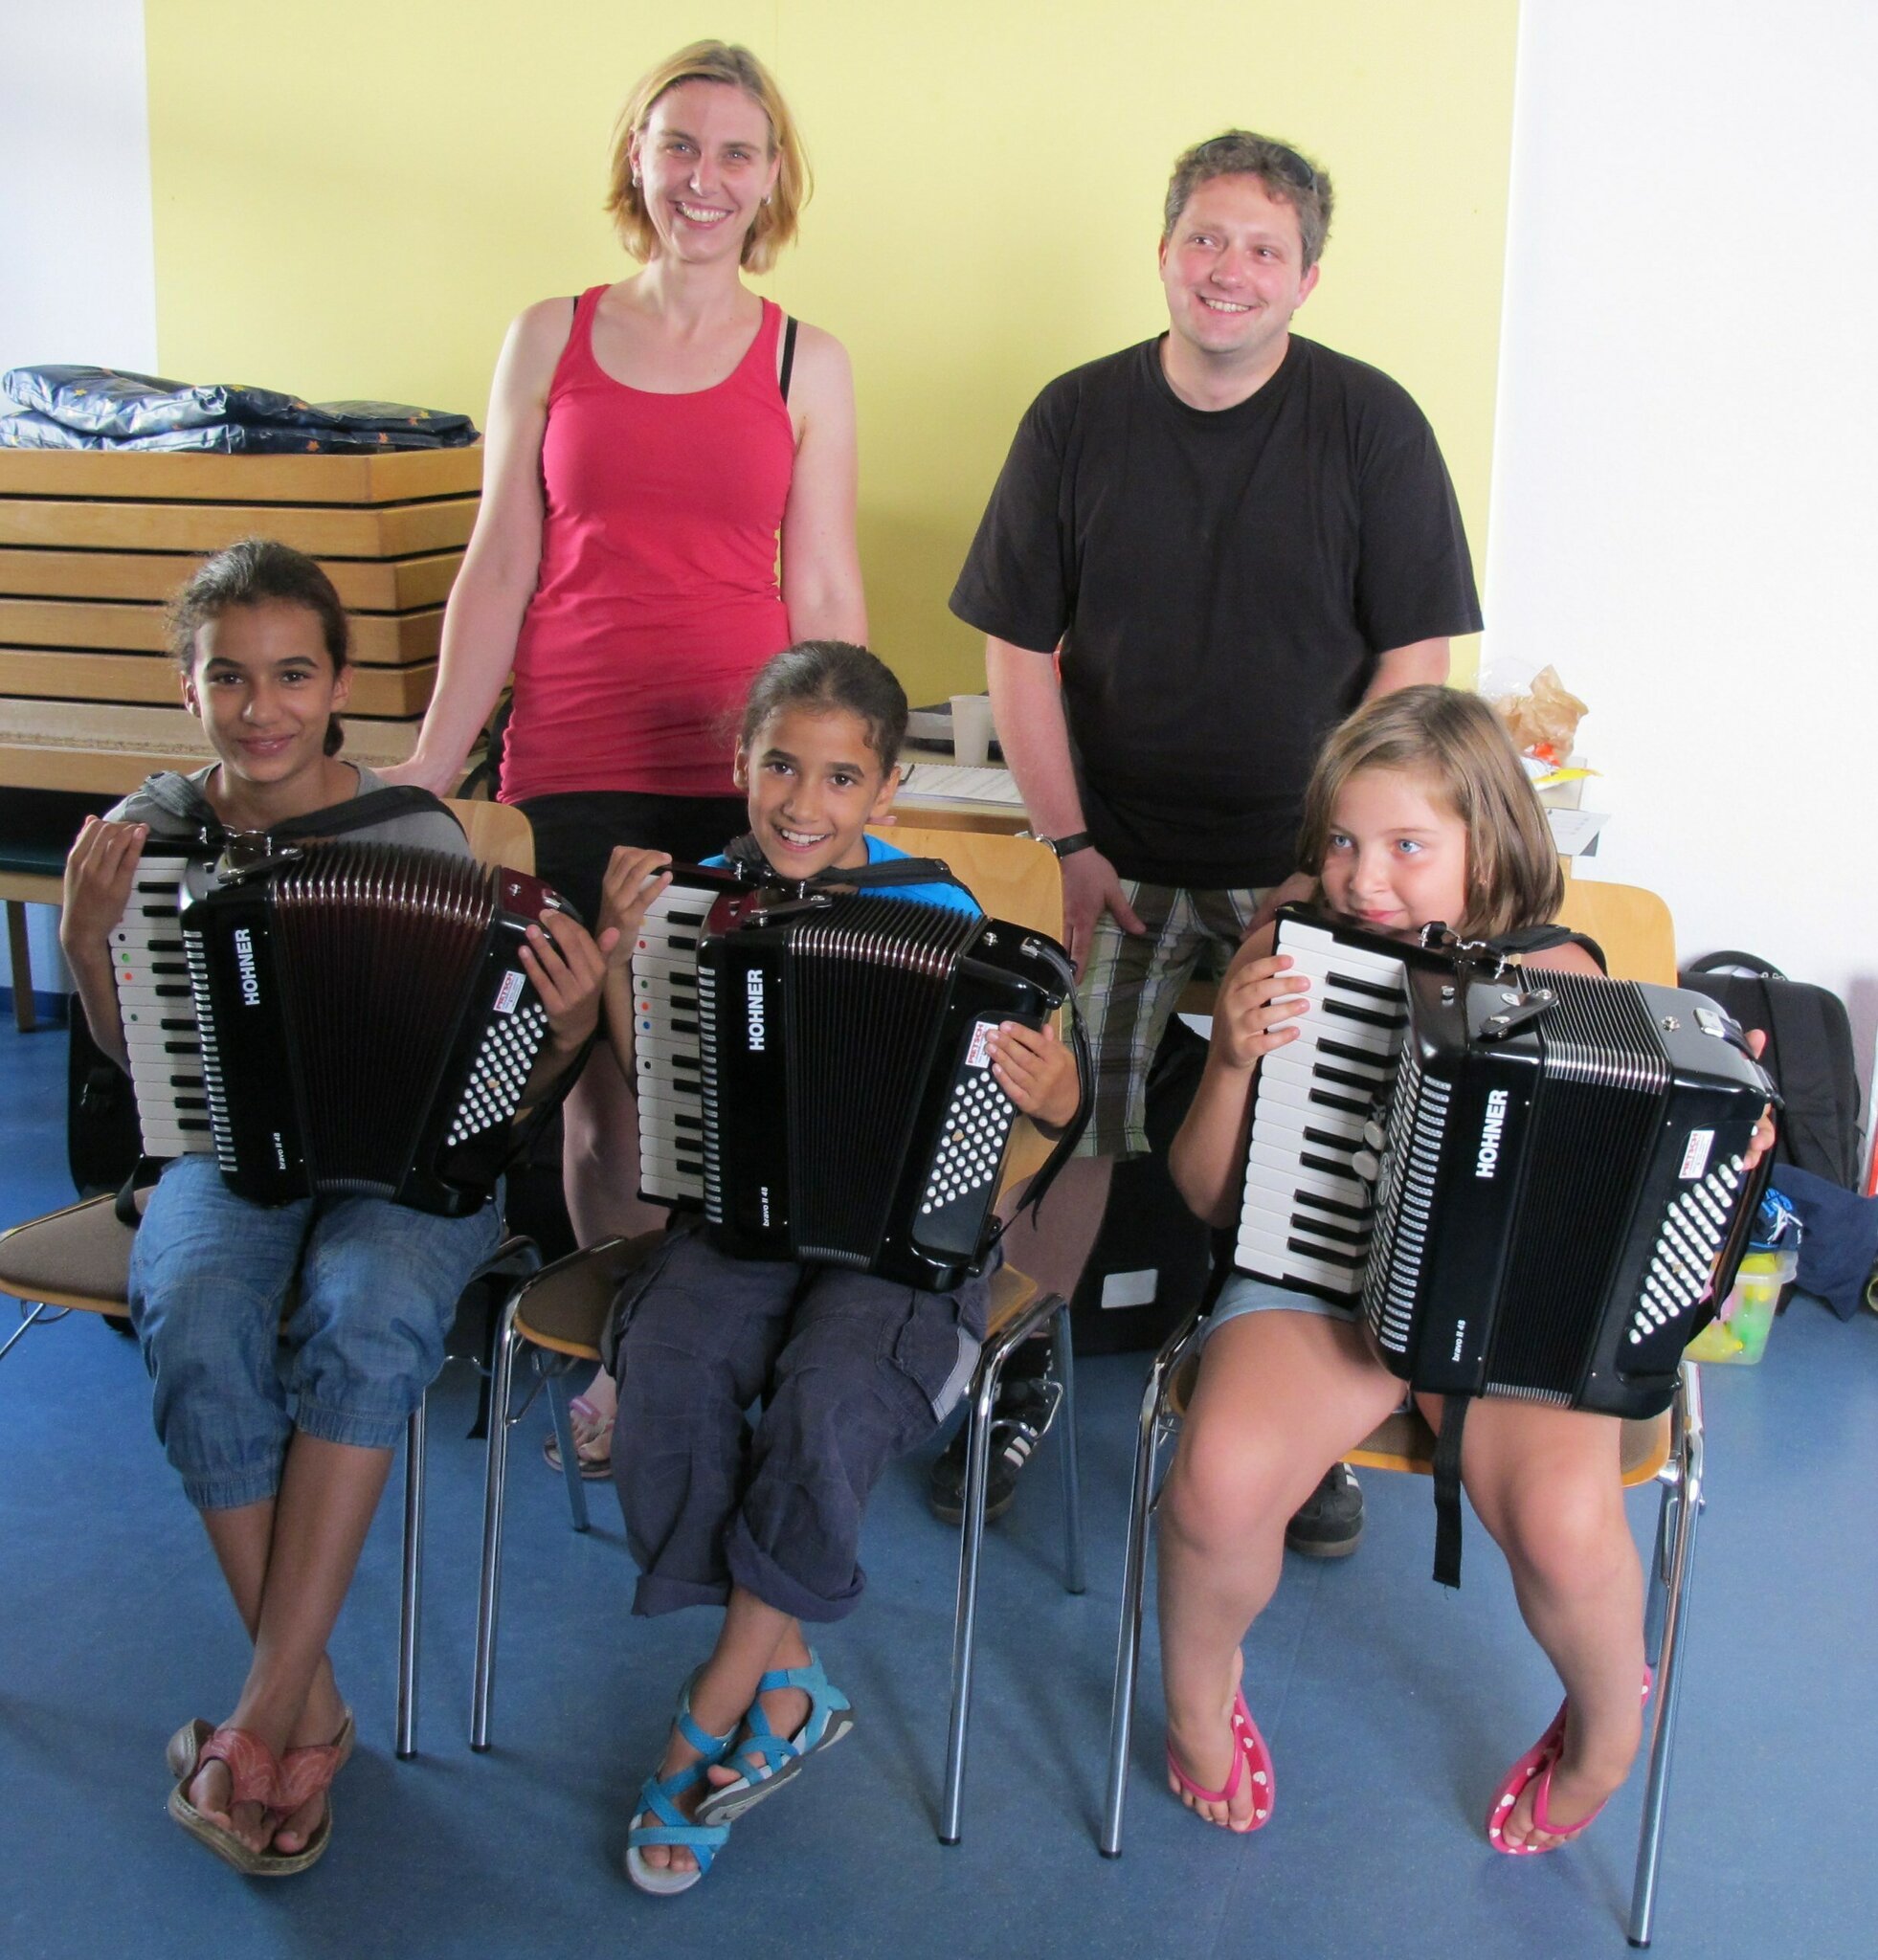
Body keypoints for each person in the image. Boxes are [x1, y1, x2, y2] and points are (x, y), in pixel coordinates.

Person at [942, 128, 1484, 1549]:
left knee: (1294, 1133)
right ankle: (1016, 1379)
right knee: (1075, 1123)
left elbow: (1412, 664)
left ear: (1306, 274)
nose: (1227, 270)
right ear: (1164, 247)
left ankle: (1290, 1428)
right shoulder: (1073, 418)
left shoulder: (1372, 425)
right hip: (1113, 858)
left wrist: (1330, 866)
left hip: (1310, 870)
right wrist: (1067, 839)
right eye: (1204, 238)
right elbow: (1017, 655)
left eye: (1260, 247)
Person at [59, 540, 610, 1875]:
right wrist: (87, 950)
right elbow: (143, 1065)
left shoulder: (408, 833)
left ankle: (253, 1718)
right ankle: (303, 1716)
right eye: (229, 678)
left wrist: (575, 1015)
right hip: (220, 1154)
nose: (262, 708)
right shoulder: (148, 833)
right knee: (190, 1312)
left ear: (340, 683)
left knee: (368, 1309)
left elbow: (484, 1087)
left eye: (292, 675)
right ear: (186, 688)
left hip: (404, 1165)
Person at [1153, 685, 1775, 1849]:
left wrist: (1724, 1136)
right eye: (1341, 838)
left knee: (1558, 1517)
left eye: (1405, 846)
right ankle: (1196, 1697)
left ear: (1486, 850)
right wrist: (1232, 1059)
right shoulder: (1286, 947)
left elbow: (1648, 1177)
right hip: (1316, 1273)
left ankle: (1605, 1725)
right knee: (1219, 1478)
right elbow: (1202, 1195)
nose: (1360, 878)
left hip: (1502, 1311)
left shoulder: (1563, 972)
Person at [380, 40, 867, 1479]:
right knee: (600, 1071)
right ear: (637, 160)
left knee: (717, 1074)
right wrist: (429, 765)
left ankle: (698, 1341)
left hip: (742, 776)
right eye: (678, 146)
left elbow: (824, 588)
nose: (703, 178)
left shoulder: (804, 359)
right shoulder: (549, 335)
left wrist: (842, 794)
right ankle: (622, 1364)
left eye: (735, 152)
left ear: (771, 177)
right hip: (575, 752)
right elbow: (498, 568)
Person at [590, 642, 1082, 1894]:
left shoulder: (944, 917)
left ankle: (709, 1710)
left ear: (884, 791)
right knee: (668, 1367)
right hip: (740, 1220)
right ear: (741, 763)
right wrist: (617, 965)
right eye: (780, 767)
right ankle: (790, 1680)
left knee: (828, 1399)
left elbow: (1035, 1132)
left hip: (902, 1251)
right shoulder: (696, 905)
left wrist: (1054, 1087)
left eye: (840, 777)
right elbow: (655, 1092)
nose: (803, 803)